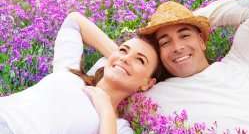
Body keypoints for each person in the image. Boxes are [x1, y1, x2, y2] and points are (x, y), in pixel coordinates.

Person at [90, 0, 249, 133]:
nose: (177, 47)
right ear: (159, 54)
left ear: (202, 41)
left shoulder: (241, 62)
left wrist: (188, 17)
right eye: (165, 42)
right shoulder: (148, 96)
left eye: (185, 35)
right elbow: (105, 70)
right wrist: (142, 49)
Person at [0, 12, 161, 134]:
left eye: (140, 60)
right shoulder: (70, 71)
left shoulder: (118, 127)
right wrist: (118, 58)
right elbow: (74, 21)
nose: (125, 58)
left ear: (148, 83)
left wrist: (106, 110)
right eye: (123, 50)